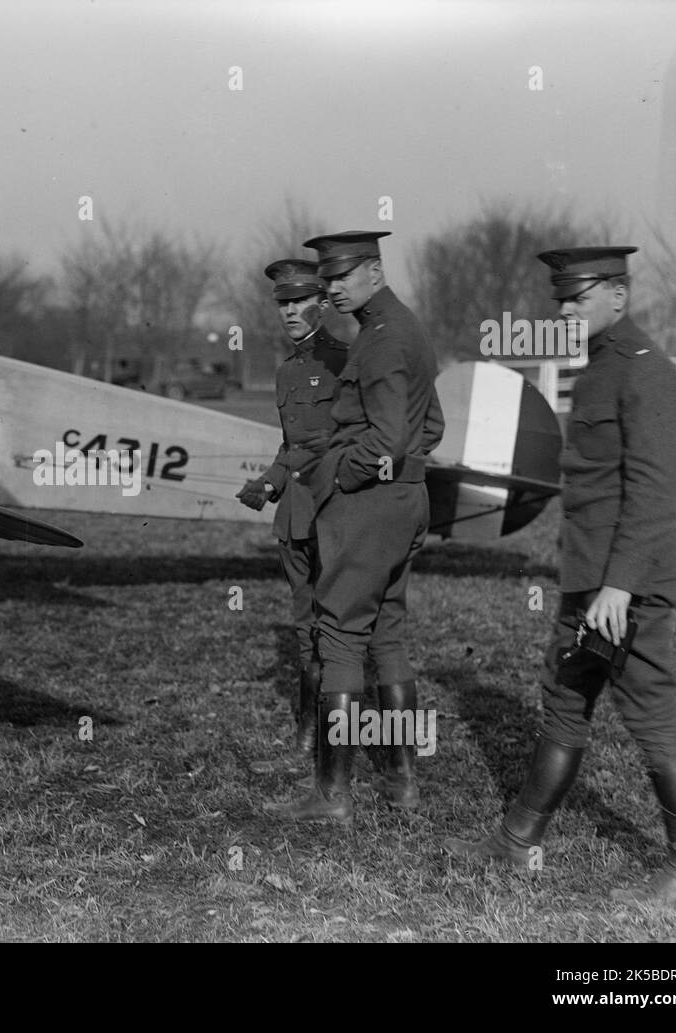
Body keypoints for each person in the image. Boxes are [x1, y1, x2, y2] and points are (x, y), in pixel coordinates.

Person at [446, 246, 676, 907]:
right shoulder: (597, 366)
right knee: (564, 696)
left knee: (652, 715)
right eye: (562, 300)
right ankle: (518, 839)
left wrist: (619, 586)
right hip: (588, 582)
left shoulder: (645, 371)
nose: (566, 309)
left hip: (627, 587)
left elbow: (655, 493)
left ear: (619, 296)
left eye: (579, 297)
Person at [265, 230, 443, 823]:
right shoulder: (404, 328)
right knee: (387, 638)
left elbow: (387, 438)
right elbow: (431, 426)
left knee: (339, 638)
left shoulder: (381, 339)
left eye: (344, 276)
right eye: (329, 279)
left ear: (375, 271)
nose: (334, 288)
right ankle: (403, 780)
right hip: (408, 499)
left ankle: (332, 795)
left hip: (367, 504)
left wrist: (341, 476)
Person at [237, 258, 347, 772]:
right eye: (282, 303)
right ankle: (308, 741)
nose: (289, 311)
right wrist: (268, 483)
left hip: (335, 515)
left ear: (323, 304)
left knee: (338, 630)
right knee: (306, 630)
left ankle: (339, 744)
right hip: (295, 518)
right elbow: (292, 446)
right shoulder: (286, 371)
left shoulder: (346, 363)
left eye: (300, 301)